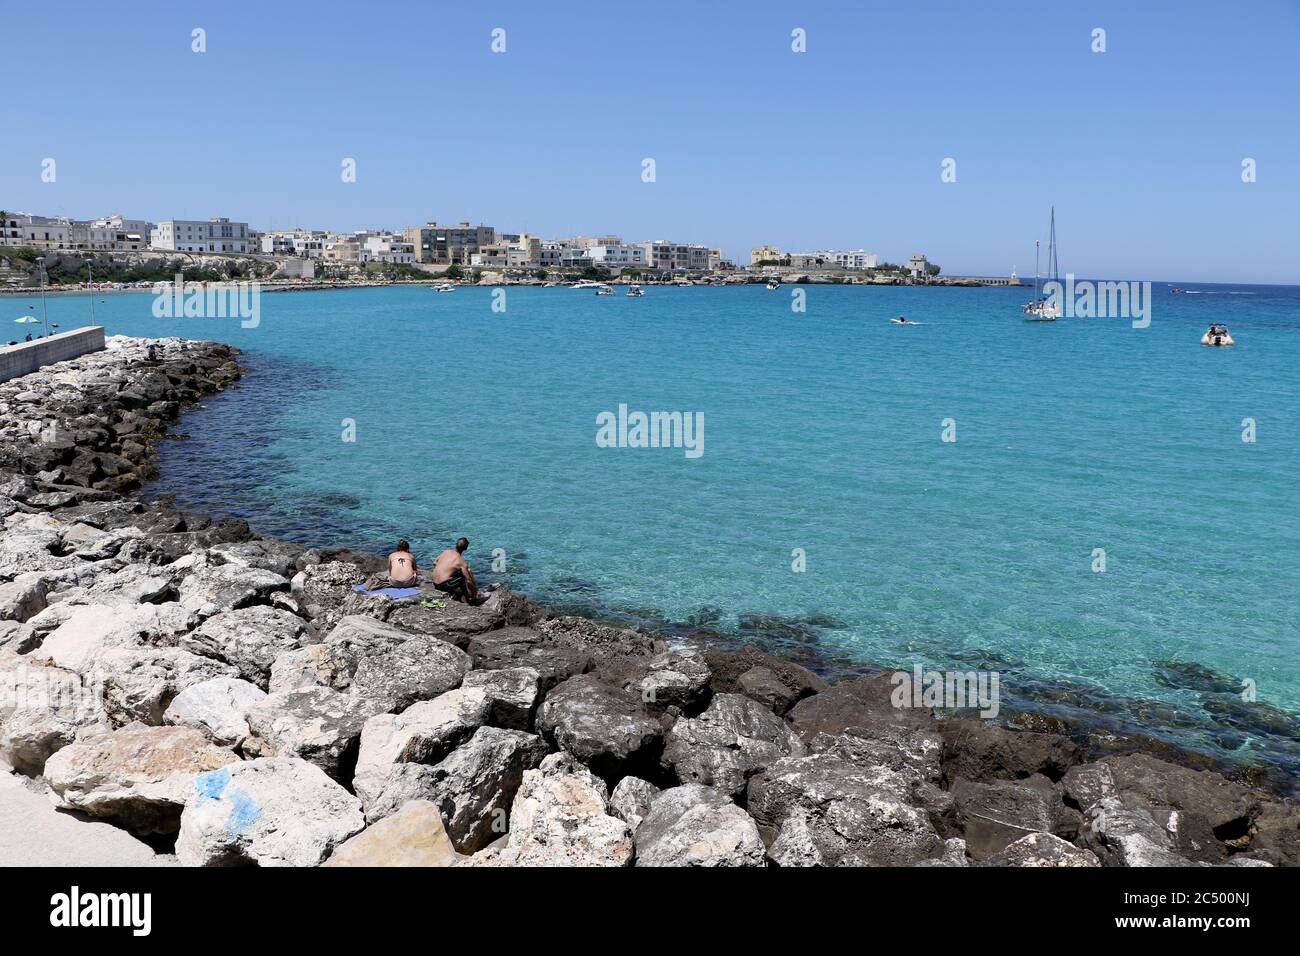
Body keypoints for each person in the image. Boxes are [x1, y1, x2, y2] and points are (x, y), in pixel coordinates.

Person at [433, 537, 482, 604]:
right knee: (463, 578)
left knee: (457, 572)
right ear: (466, 548)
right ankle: (471, 599)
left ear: (456, 544)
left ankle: (461, 594)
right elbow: (468, 580)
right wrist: (475, 589)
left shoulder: (446, 551)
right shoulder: (461, 561)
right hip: (443, 585)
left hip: (434, 582)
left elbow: (434, 562)